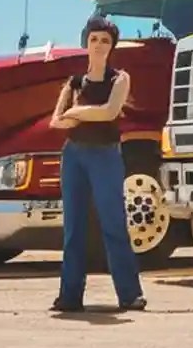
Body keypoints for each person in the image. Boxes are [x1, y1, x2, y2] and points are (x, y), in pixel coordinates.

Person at [48, 15, 146, 312]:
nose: (99, 44)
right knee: (74, 227)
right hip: (74, 155)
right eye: (94, 39)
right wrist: (79, 113)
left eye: (105, 40)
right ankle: (70, 295)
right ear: (86, 43)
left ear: (112, 45)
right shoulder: (73, 82)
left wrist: (77, 112)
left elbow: (109, 112)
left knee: (113, 222)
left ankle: (129, 294)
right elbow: (56, 120)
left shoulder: (121, 79)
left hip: (105, 154)